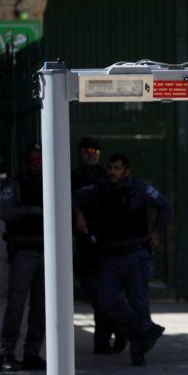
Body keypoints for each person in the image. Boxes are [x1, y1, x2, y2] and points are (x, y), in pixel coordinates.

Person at [73, 153, 173, 366]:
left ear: (126, 171)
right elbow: (73, 196)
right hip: (109, 256)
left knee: (138, 302)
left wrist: (156, 231)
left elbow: (165, 206)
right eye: (110, 167)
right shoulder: (99, 189)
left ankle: (138, 352)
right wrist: (77, 214)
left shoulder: (139, 189)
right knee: (106, 300)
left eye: (117, 168)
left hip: (135, 255)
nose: (112, 172)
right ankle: (145, 328)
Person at [0, 143, 46, 372]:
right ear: (26, 163)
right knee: (16, 305)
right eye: (32, 160)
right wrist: (33, 210)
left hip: (46, 251)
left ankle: (32, 353)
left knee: (41, 307)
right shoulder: (15, 184)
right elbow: (7, 212)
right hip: (24, 252)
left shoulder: (50, 181)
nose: (36, 164)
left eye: (39, 159)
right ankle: (7, 354)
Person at [70, 137, 116, 354]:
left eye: (95, 150)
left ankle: (103, 340)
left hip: (104, 242)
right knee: (95, 294)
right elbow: (68, 199)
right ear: (80, 153)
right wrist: (78, 215)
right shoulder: (72, 176)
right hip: (82, 243)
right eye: (87, 150)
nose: (92, 154)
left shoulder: (104, 176)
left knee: (105, 294)